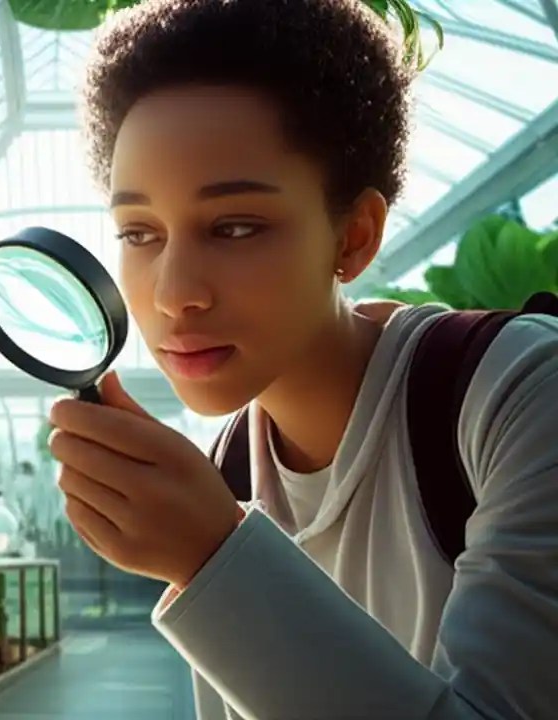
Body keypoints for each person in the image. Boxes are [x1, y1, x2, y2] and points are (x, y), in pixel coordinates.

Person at [47, 1, 558, 718]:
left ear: (353, 237)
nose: (173, 294)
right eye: (139, 233)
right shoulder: (227, 468)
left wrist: (211, 558)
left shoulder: (521, 396)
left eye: (234, 226)